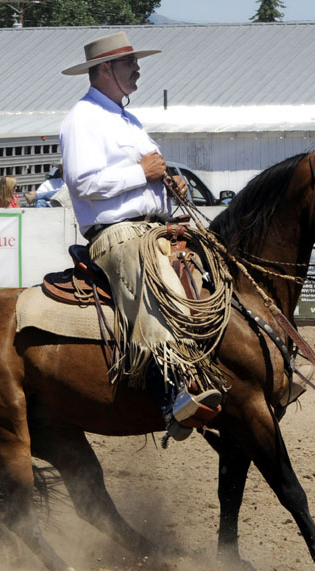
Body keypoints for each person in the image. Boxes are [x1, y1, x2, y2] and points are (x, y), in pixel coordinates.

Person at [59, 31, 221, 440]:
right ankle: (171, 395)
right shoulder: (81, 118)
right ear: (106, 69)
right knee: (154, 278)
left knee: (214, 262)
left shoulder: (129, 121)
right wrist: (142, 173)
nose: (137, 68)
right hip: (116, 235)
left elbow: (148, 177)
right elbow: (82, 183)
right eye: (130, 62)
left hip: (152, 225)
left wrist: (170, 186)